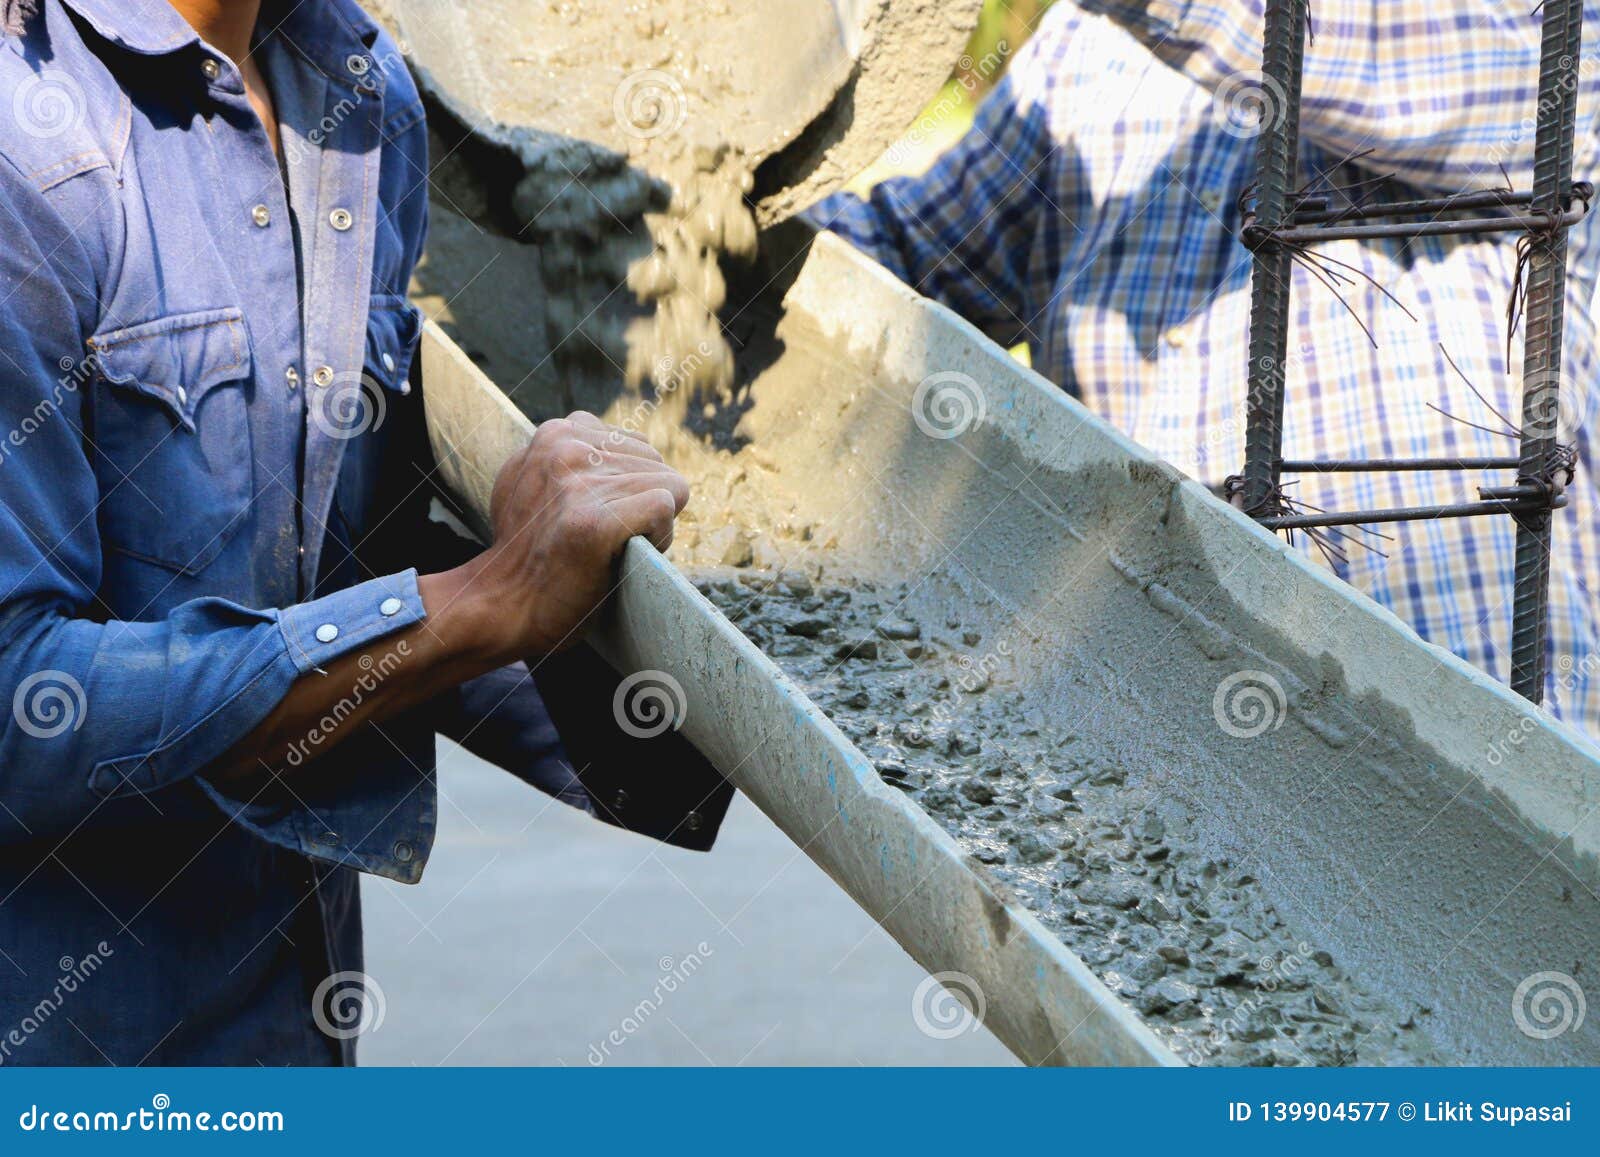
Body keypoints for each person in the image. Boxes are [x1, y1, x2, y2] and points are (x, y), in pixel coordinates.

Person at [0, 0, 728, 1065]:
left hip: (295, 1013)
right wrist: (477, 606)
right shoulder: (27, 148)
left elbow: (342, 565)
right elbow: (22, 707)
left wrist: (654, 693)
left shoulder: (355, 89)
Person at [810, 1, 1600, 734]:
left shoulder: (1544, 24)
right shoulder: (1087, 50)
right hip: (1141, 740)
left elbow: (1334, 50)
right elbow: (911, 254)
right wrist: (709, 225)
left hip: (1468, 757)